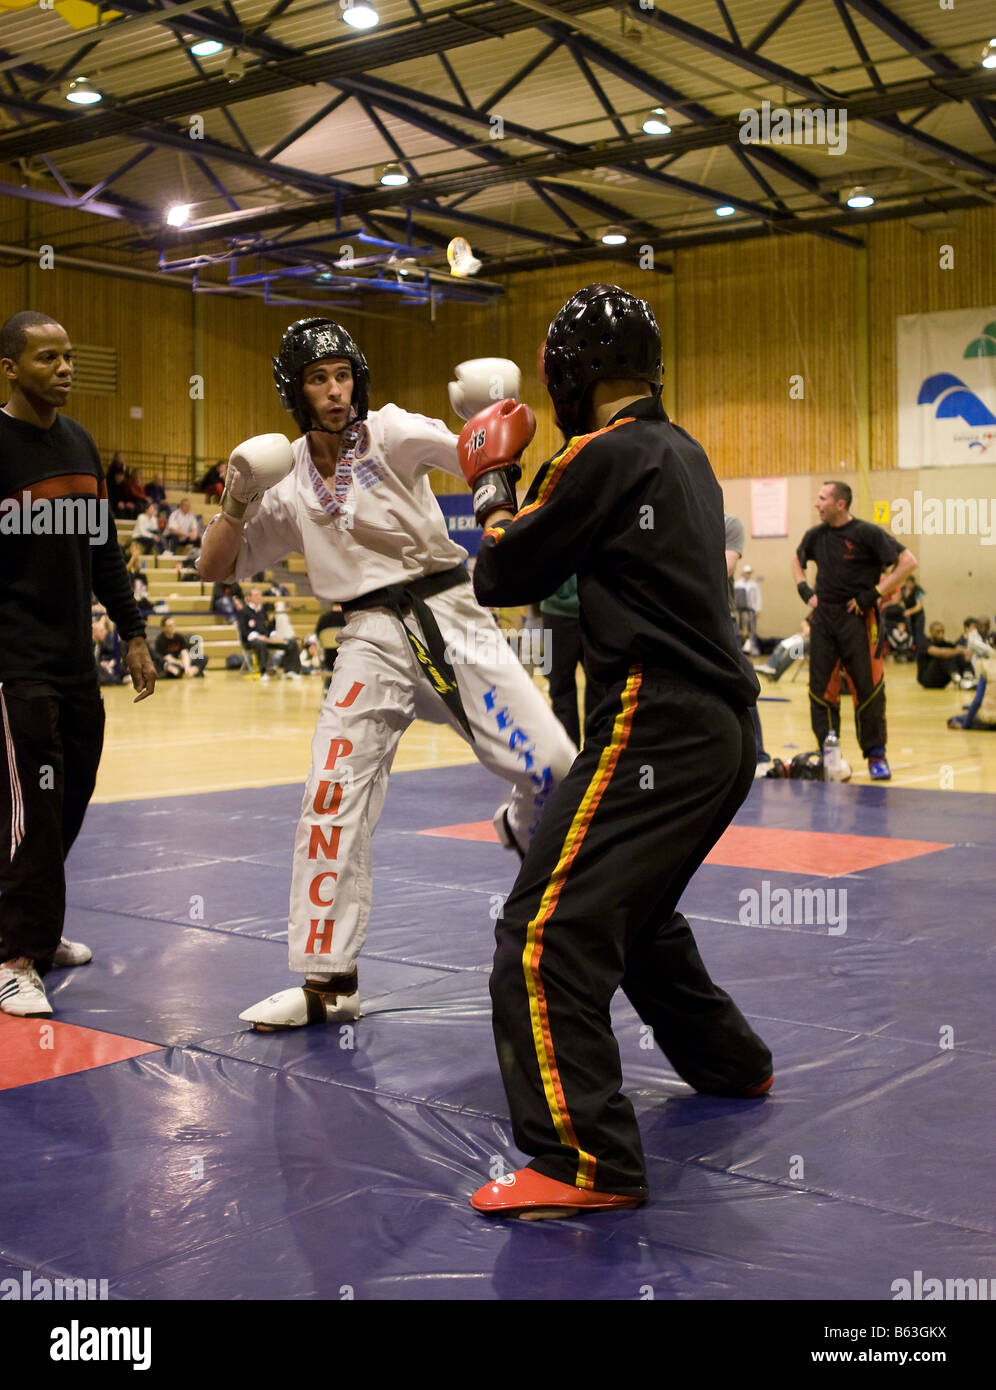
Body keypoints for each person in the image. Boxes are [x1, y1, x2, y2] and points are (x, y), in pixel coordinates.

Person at [458, 285, 772, 1219]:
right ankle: (731, 1062)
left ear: (570, 376)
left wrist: (493, 482)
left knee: (542, 934)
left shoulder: (599, 452)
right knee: (635, 913)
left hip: (654, 721)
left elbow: (502, 570)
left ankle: (582, 1156)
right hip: (724, 732)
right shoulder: (686, 452)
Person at [198, 320, 576, 1029]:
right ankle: (328, 983)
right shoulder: (284, 479)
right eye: (319, 379)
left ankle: (522, 825)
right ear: (296, 392)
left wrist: (492, 421)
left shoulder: (393, 431)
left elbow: (477, 456)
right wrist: (236, 497)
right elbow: (216, 567)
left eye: (342, 375)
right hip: (367, 637)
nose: (335, 391)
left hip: (449, 613)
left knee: (554, 765)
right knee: (330, 793)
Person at [0, 310, 156, 1018]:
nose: (64, 368)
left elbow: (102, 552)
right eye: (47, 358)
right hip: (15, 667)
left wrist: (133, 634)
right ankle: (15, 957)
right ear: (10, 368)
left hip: (75, 664)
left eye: (68, 357)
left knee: (70, 799)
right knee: (33, 811)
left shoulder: (81, 443)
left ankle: (35, 926)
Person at [792, 482, 917, 780]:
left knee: (868, 688)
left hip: (859, 619)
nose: (816, 503)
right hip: (824, 619)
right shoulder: (815, 535)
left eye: (822, 498)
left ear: (840, 504)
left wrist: (874, 593)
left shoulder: (867, 534)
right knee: (820, 691)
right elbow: (797, 560)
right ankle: (830, 758)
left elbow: (908, 562)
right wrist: (804, 589)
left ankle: (876, 756)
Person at [725, 515, 770, 772]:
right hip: (683, 620)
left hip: (721, 621)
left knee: (741, 686)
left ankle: (758, 754)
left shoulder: (728, 523)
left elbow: (724, 568)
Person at [538, 576, 603, 746]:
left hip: (596, 609)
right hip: (556, 612)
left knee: (599, 686)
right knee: (560, 688)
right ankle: (569, 754)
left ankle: (597, 751)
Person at [916, 622, 972, 690]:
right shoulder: (924, 643)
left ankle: (968, 676)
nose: (941, 633)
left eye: (942, 631)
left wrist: (966, 652)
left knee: (957, 655)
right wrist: (958, 651)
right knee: (945, 655)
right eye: (938, 631)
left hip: (941, 681)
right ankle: (957, 679)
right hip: (927, 679)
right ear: (931, 632)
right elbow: (937, 652)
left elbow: (958, 648)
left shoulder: (943, 642)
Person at [734, 563, 762, 654]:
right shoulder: (737, 584)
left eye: (749, 573)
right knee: (739, 629)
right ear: (743, 573)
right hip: (739, 611)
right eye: (747, 572)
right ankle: (739, 648)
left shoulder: (754, 585)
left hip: (750, 610)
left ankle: (753, 648)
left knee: (752, 630)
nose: (748, 574)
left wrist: (758, 610)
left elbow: (758, 598)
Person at [900, 576, 925, 653]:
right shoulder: (903, 590)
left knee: (918, 635)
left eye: (910, 583)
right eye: (907, 583)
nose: (909, 585)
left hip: (918, 616)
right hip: (910, 617)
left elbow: (919, 606)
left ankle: (919, 652)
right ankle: (912, 652)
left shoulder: (917, 591)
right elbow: (901, 601)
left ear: (914, 583)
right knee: (911, 634)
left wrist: (909, 611)